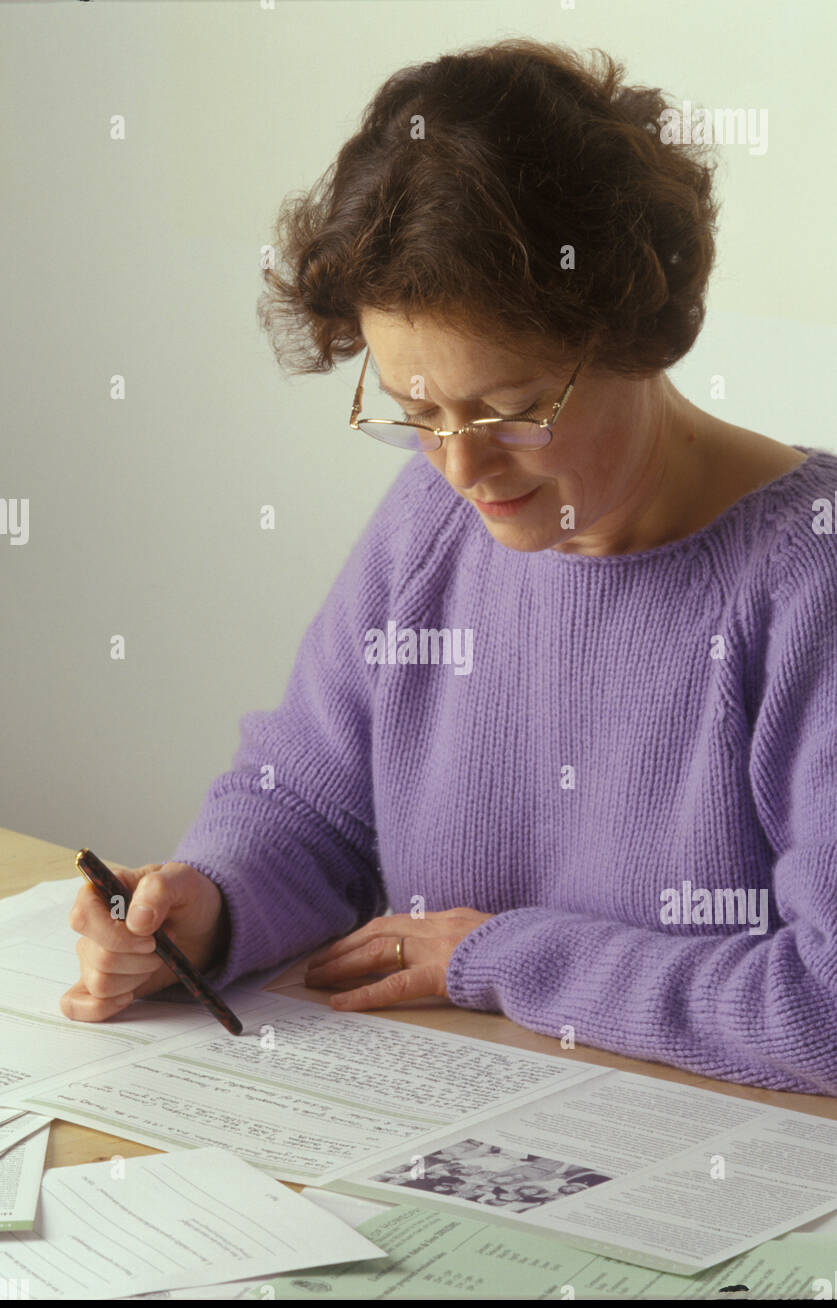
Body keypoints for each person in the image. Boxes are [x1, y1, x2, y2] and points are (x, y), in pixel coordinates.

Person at [62, 39, 837, 1096]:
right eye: (416, 412)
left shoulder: (807, 583)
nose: (462, 466)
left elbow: (826, 1005)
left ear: (638, 333)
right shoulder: (437, 518)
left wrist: (500, 956)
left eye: (510, 407)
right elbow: (311, 805)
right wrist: (206, 905)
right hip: (451, 1116)